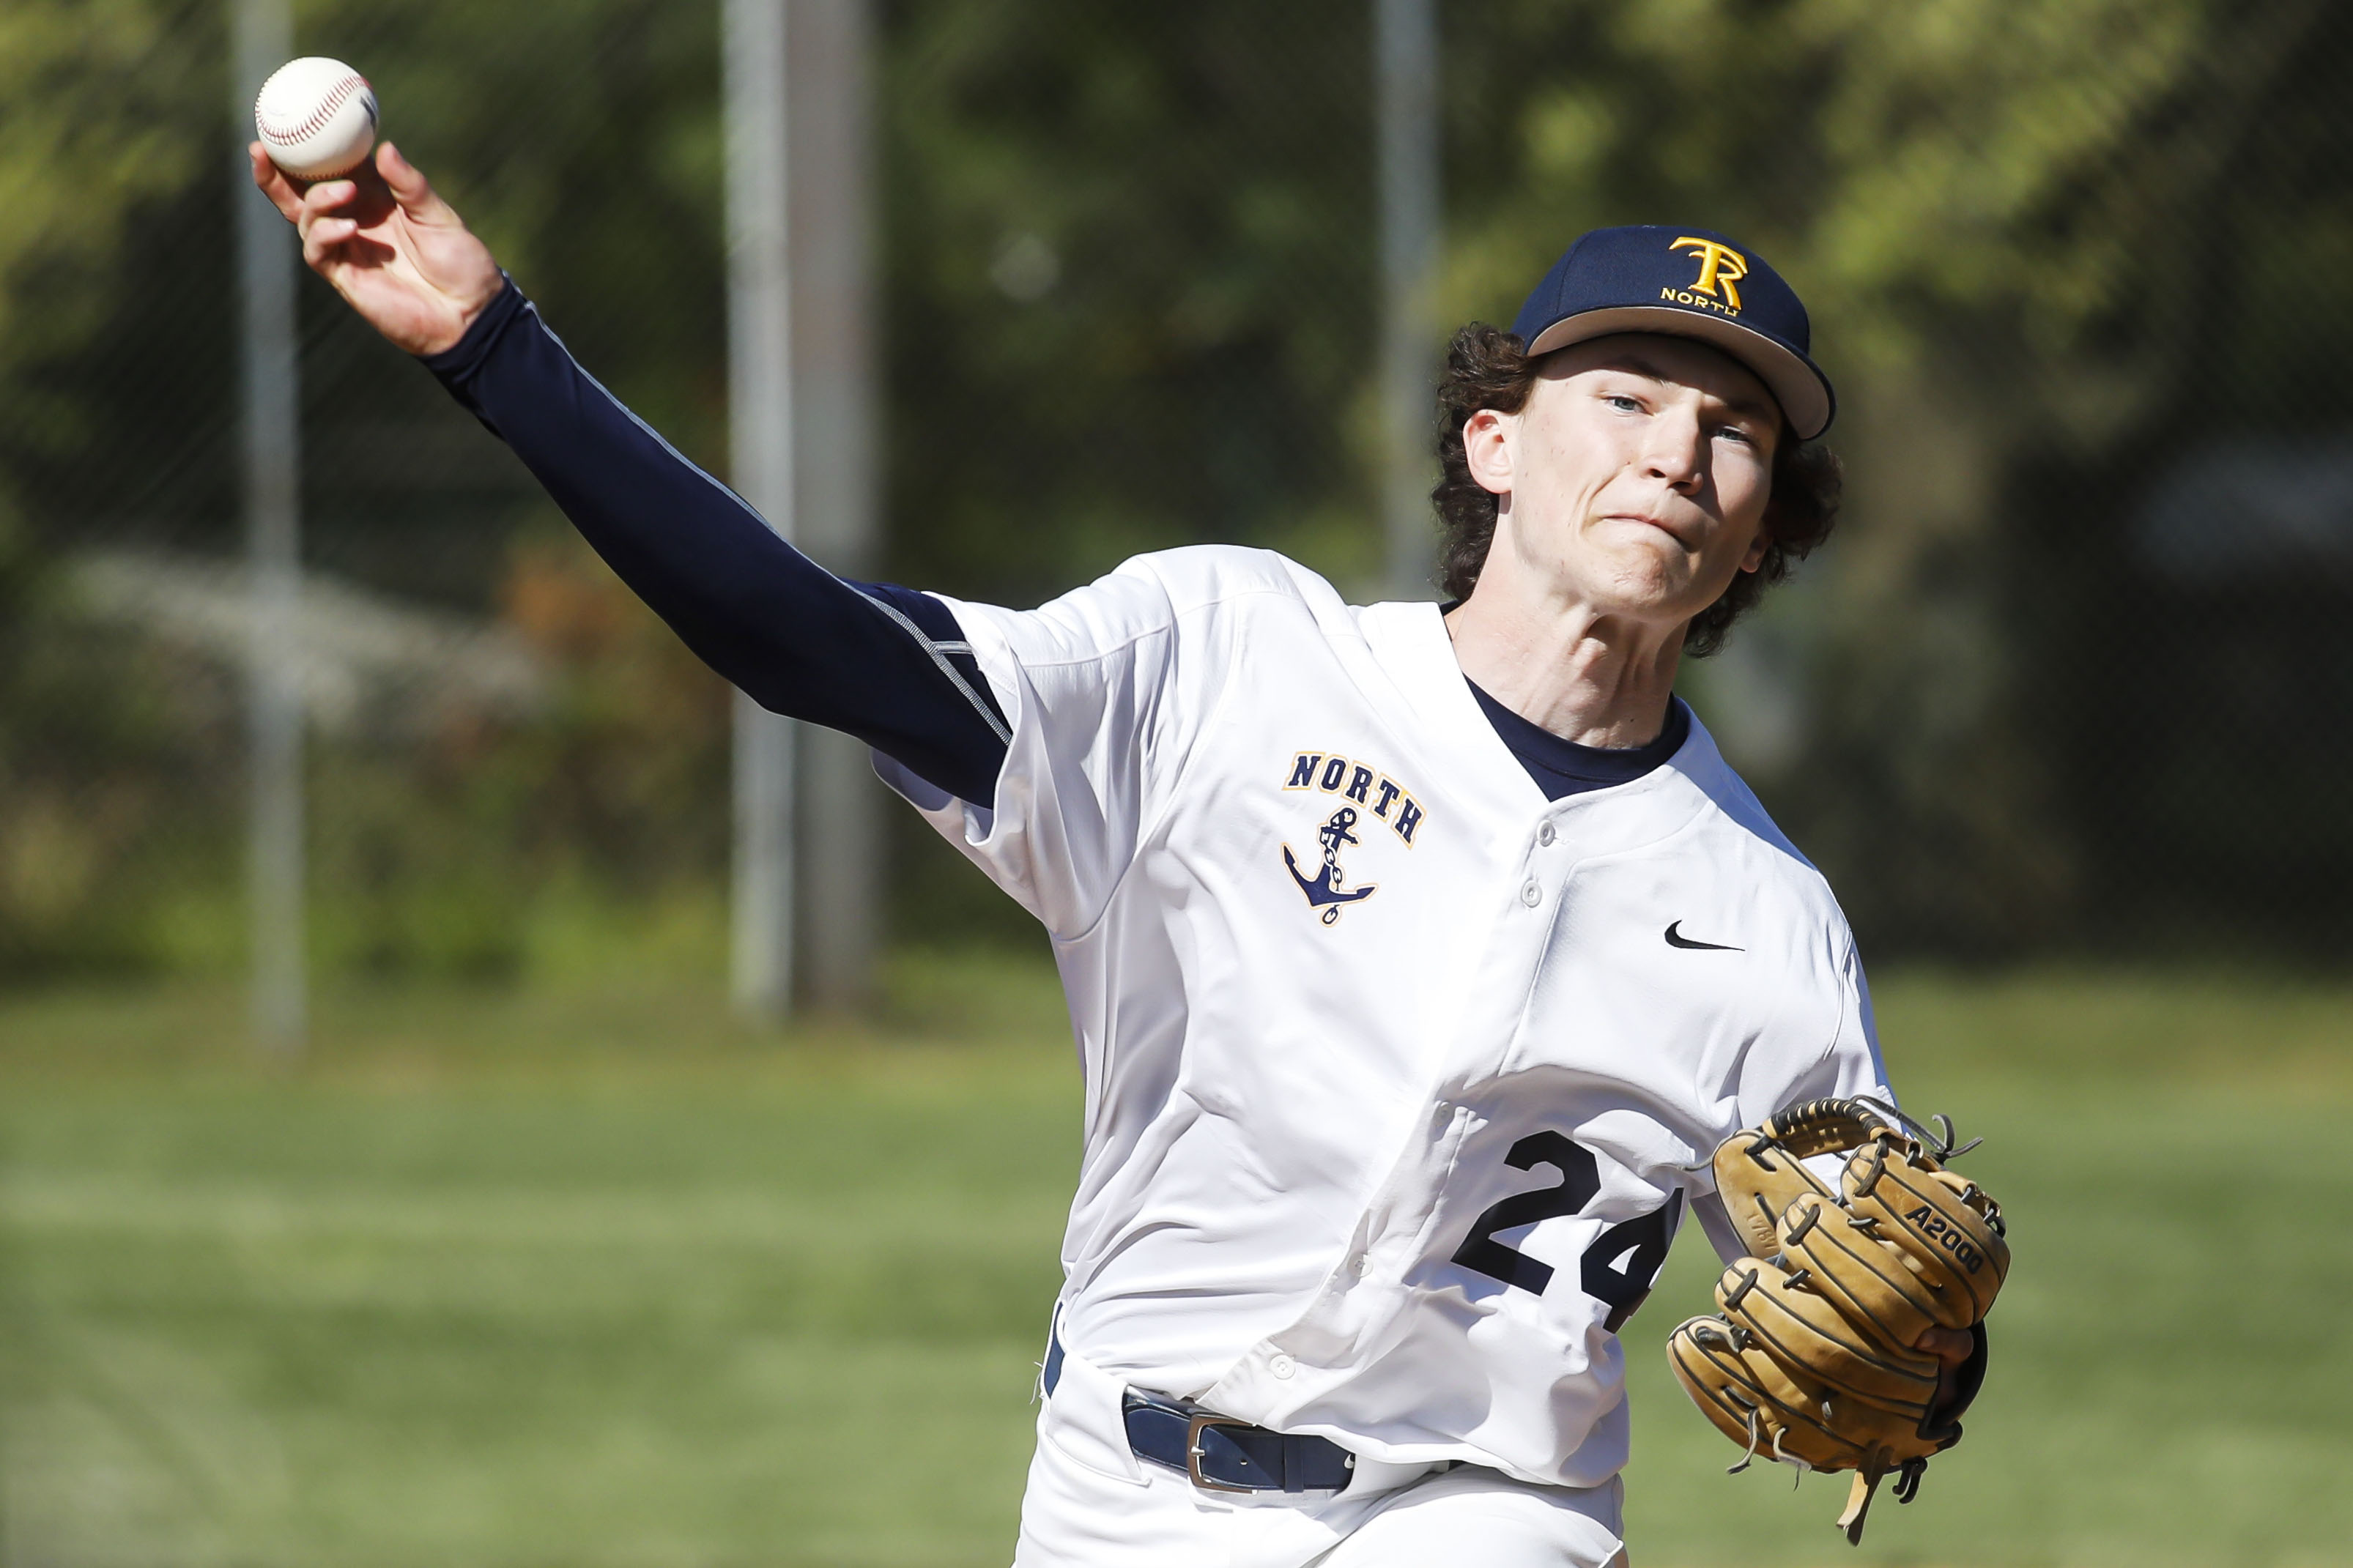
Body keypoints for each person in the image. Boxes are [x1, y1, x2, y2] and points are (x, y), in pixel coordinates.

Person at [254, 141, 1974, 1567]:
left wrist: (1935, 1357)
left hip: (1489, 1517)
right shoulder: (1227, 661)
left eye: (1734, 429)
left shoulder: (1764, 922)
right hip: (1123, 1498)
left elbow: (1878, 1320)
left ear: (1764, 528)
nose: (1674, 449)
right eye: (1624, 395)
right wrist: (493, 348)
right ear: (1494, 441)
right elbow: (810, 642)